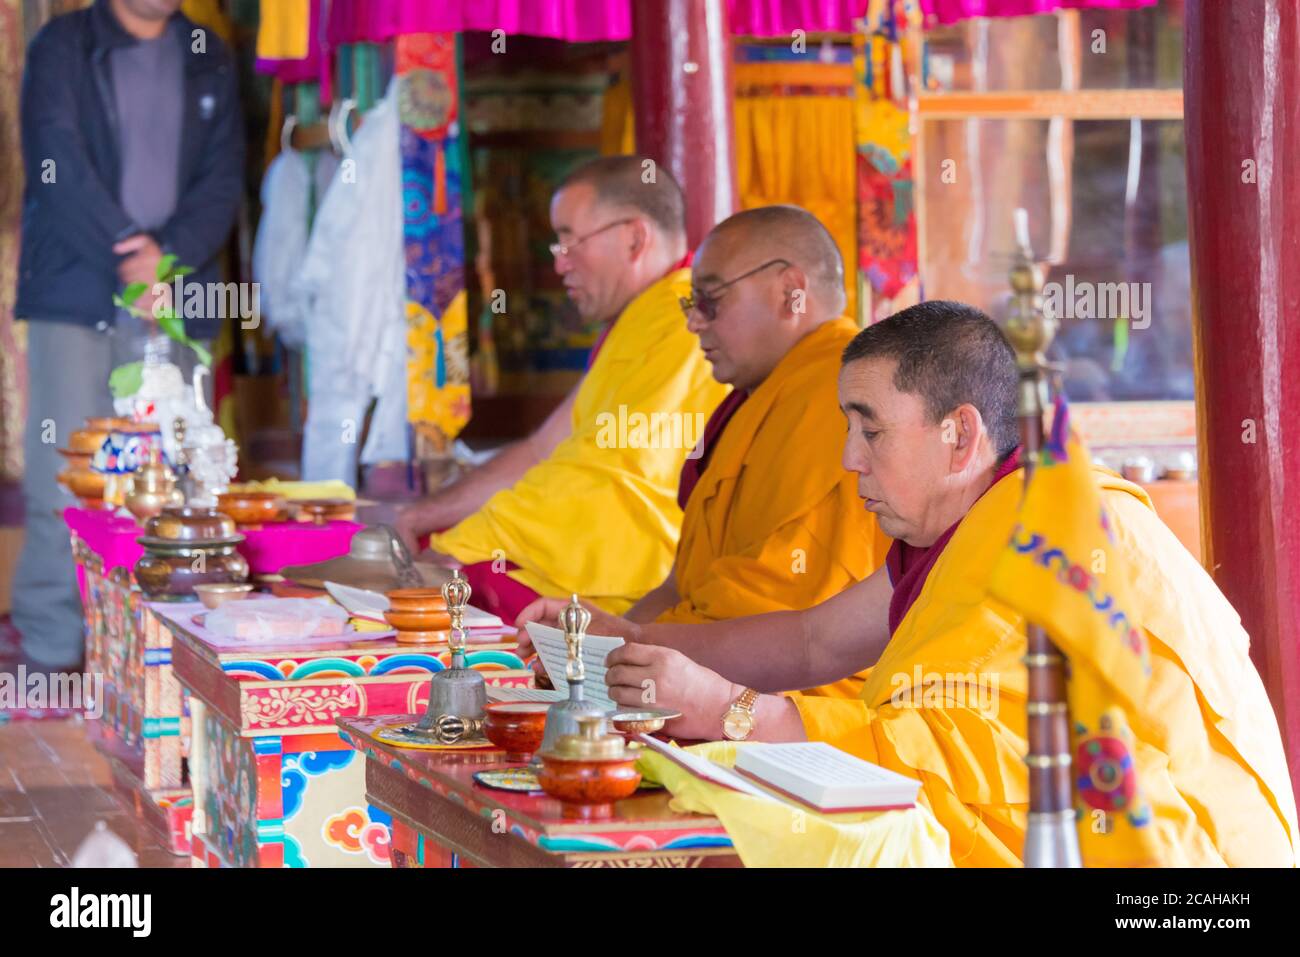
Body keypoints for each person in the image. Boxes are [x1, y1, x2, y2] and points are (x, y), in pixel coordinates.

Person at [519, 301, 1297, 866]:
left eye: (871, 429)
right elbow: (811, 638)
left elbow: (942, 754)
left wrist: (727, 711)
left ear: (960, 436)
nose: (851, 460)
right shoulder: (974, 524)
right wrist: (637, 640)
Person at [12, 0, 244, 673]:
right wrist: (127, 254)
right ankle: (55, 653)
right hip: (78, 290)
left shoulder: (210, 55)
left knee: (176, 477)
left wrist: (167, 258)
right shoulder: (64, 47)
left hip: (174, 296)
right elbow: (56, 161)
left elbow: (223, 180)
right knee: (69, 473)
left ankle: (159, 655)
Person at [396, 156, 728, 617]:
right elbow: (541, 448)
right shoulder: (640, 320)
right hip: (588, 557)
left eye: (572, 240)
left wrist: (471, 544)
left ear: (634, 238)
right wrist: (420, 518)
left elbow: (611, 477)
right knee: (427, 560)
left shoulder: (681, 321)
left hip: (633, 583)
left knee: (450, 586)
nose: (560, 264)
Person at [625, 205, 890, 704]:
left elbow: (787, 612)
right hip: (700, 670)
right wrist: (595, 649)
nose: (694, 323)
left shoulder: (835, 388)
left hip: (803, 716)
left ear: (790, 290)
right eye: (690, 303)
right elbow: (683, 586)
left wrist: (631, 647)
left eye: (710, 299)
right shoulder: (758, 398)